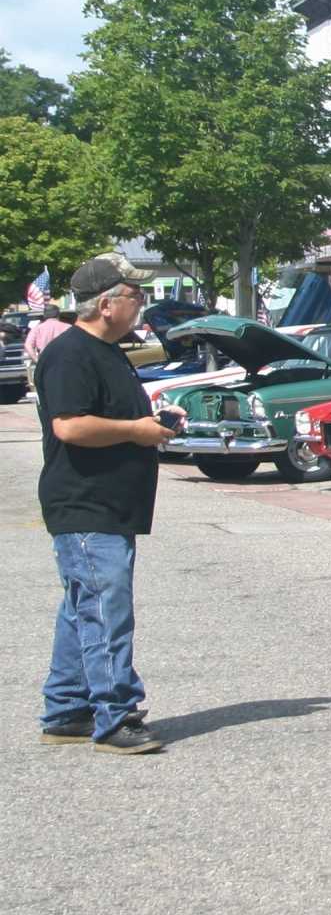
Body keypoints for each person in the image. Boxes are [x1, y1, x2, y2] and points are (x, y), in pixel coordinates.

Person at [35, 253, 181, 754]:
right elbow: (70, 426)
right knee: (104, 609)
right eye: (134, 294)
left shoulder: (109, 352)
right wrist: (136, 431)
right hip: (85, 502)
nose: (140, 303)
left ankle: (67, 707)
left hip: (111, 503)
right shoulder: (71, 353)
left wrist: (153, 422)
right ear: (105, 303)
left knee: (83, 608)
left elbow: (109, 418)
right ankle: (115, 716)